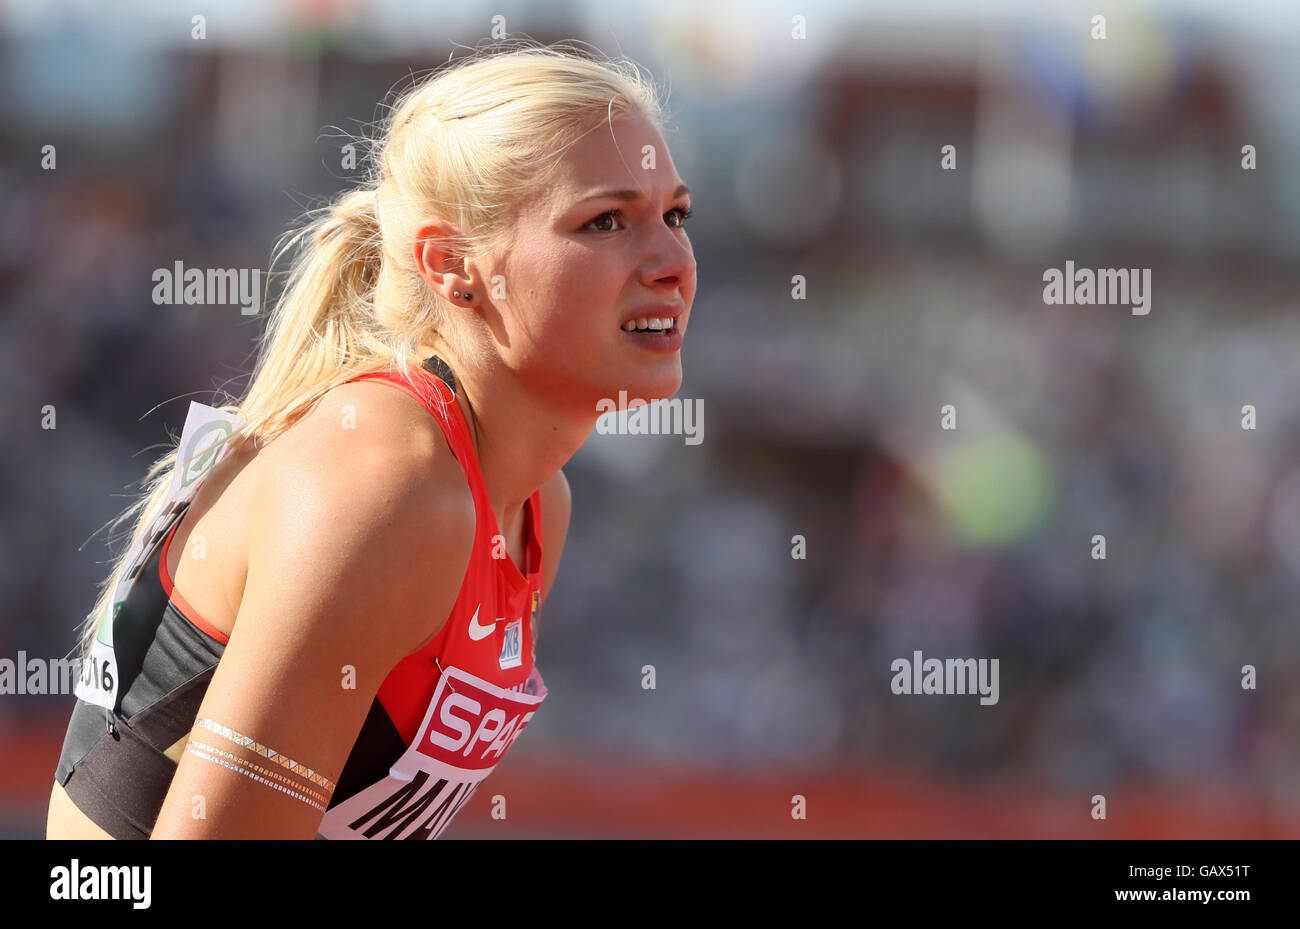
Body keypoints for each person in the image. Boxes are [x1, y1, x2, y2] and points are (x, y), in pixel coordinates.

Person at [45, 40, 697, 839]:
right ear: (453, 267)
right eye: (606, 220)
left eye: (675, 214)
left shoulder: (532, 501)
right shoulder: (390, 488)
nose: (673, 261)